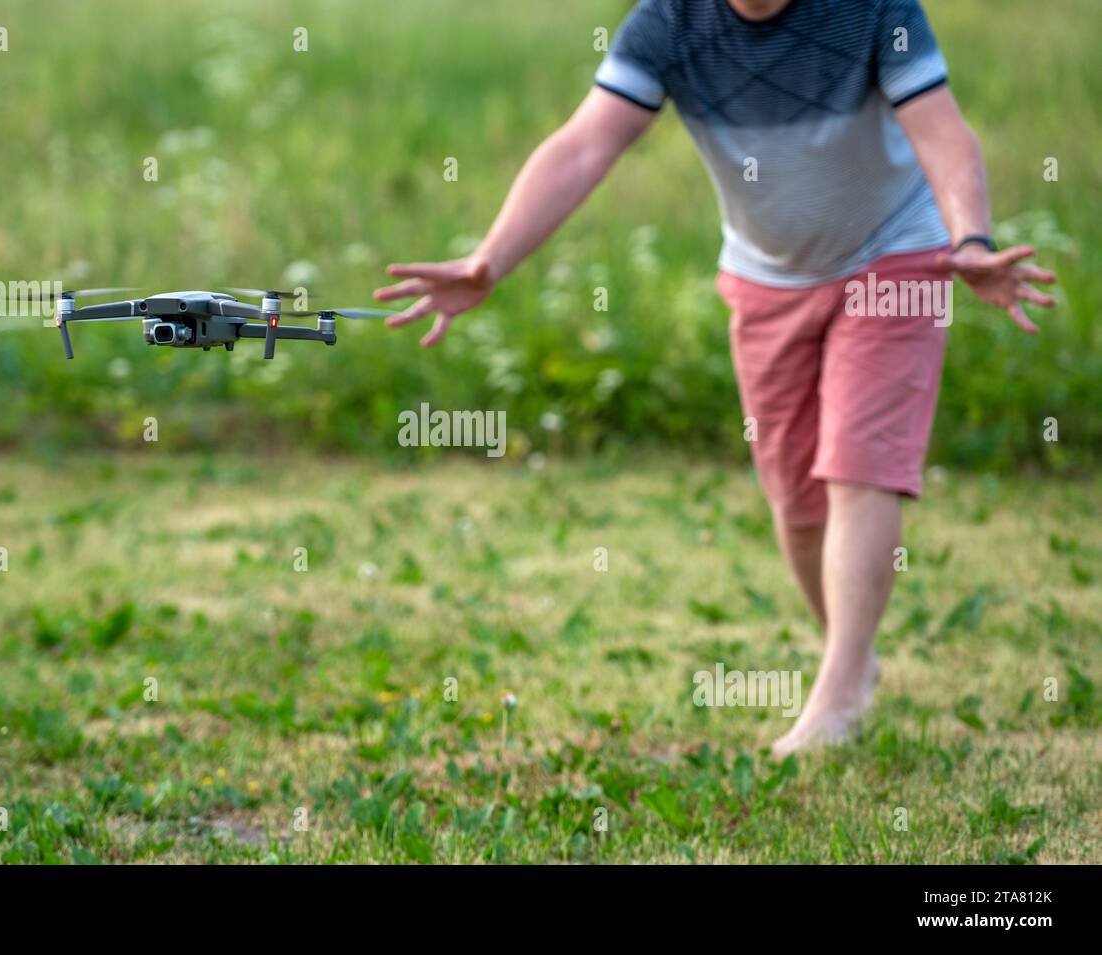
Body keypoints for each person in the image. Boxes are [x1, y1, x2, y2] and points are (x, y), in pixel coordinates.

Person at [372, 0, 1057, 755]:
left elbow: (941, 132)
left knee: (857, 468)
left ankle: (836, 693)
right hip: (766, 278)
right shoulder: (668, 23)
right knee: (797, 500)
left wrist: (972, 239)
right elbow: (584, 146)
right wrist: (489, 261)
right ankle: (853, 658)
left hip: (897, 254)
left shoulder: (874, 9)